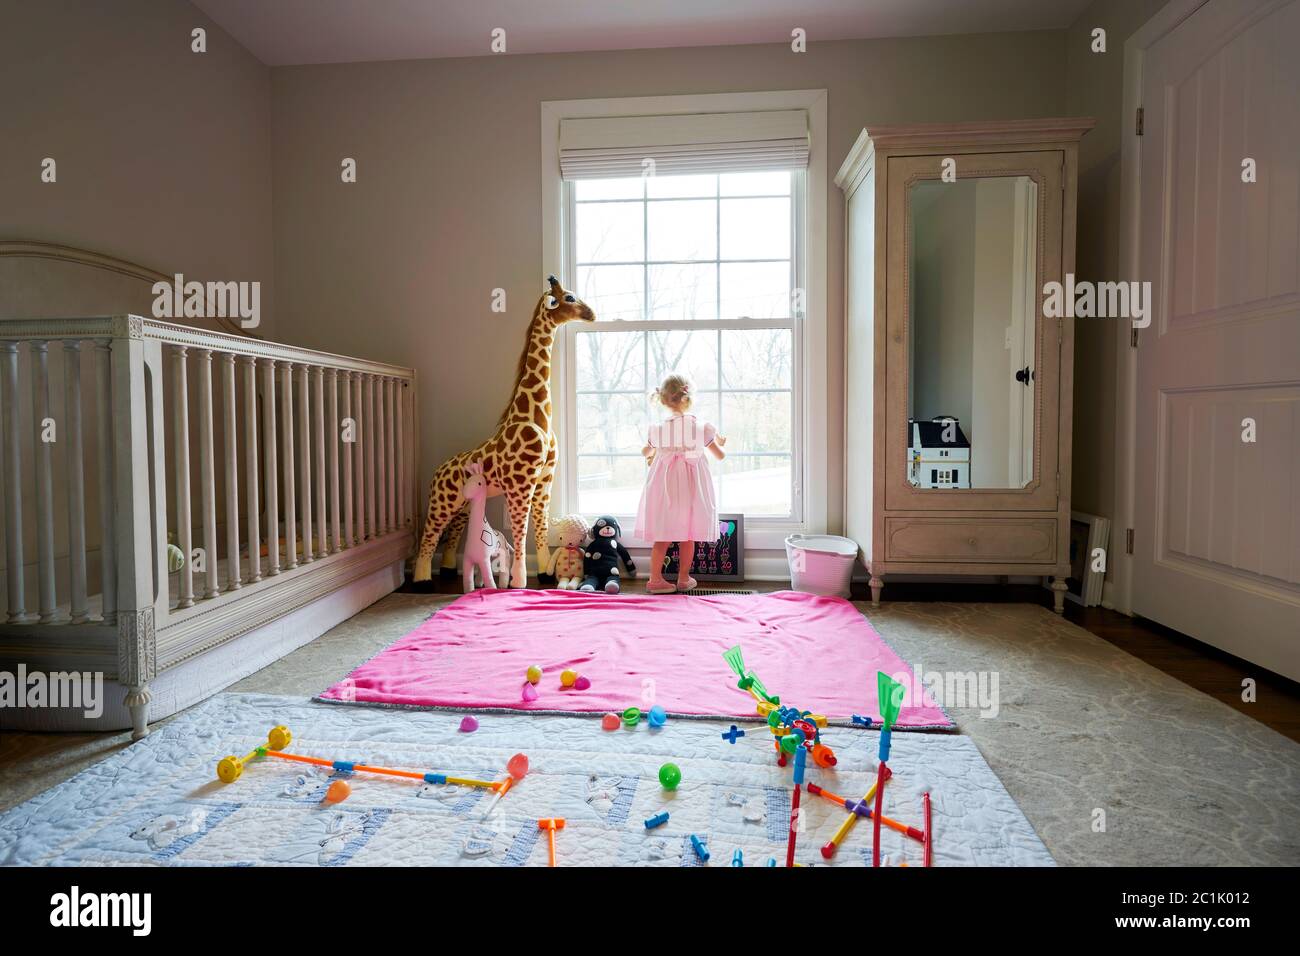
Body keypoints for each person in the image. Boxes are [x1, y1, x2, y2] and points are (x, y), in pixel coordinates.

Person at [633, 374, 727, 593]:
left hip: (664, 486)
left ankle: (655, 579)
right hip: (692, 487)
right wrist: (720, 442)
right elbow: (720, 455)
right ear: (689, 398)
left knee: (662, 535)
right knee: (689, 533)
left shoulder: (657, 429)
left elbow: (645, 451)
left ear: (663, 400)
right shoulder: (702, 427)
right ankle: (683, 578)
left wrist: (656, 450)